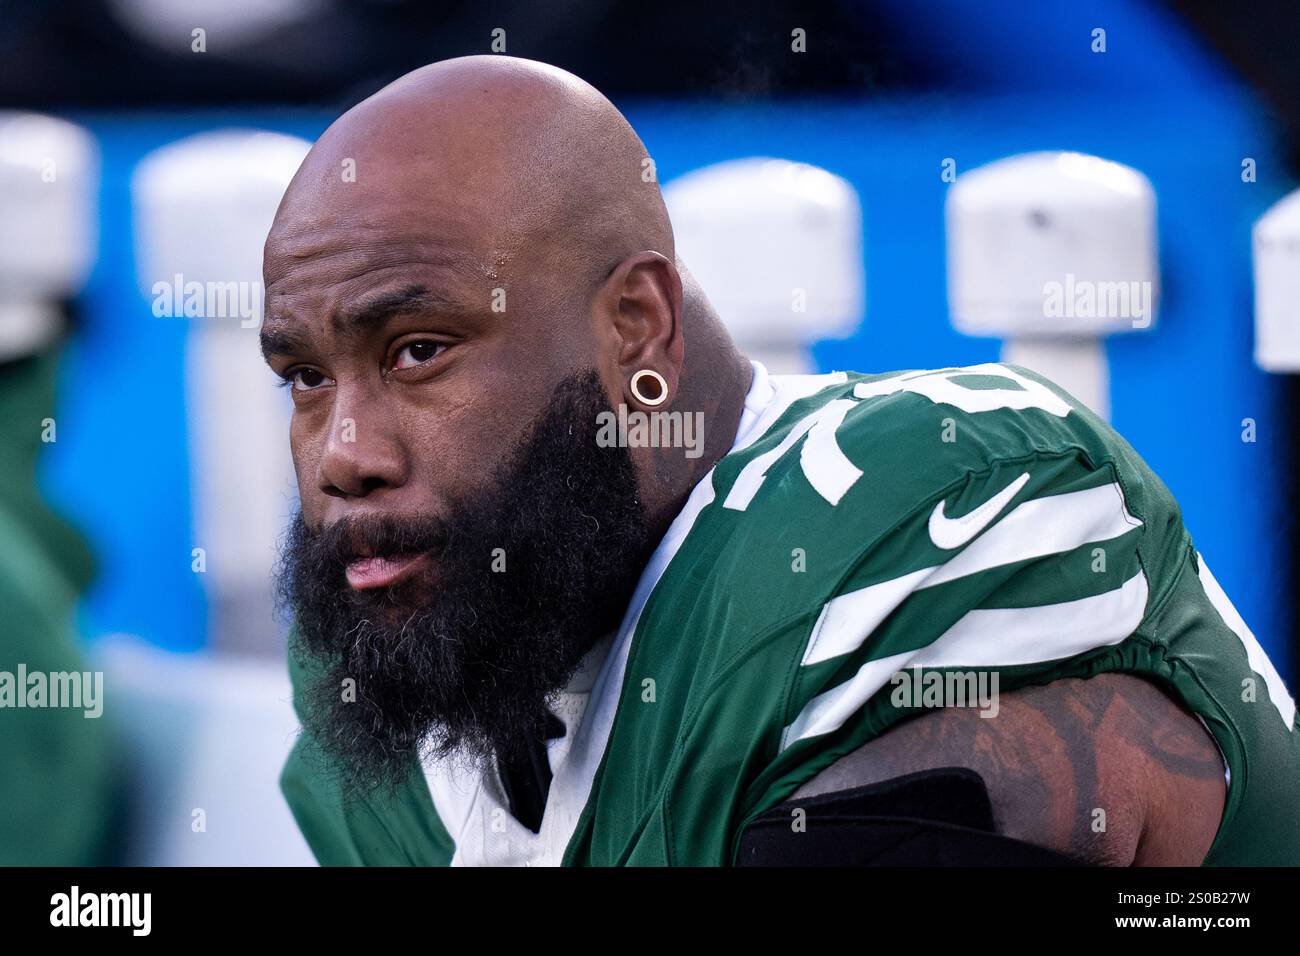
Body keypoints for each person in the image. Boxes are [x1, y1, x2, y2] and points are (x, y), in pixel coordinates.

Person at [265, 55, 1297, 866]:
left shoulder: (902, 512)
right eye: (306, 377)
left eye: (418, 350)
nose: (345, 454)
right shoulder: (414, 656)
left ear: (633, 328)